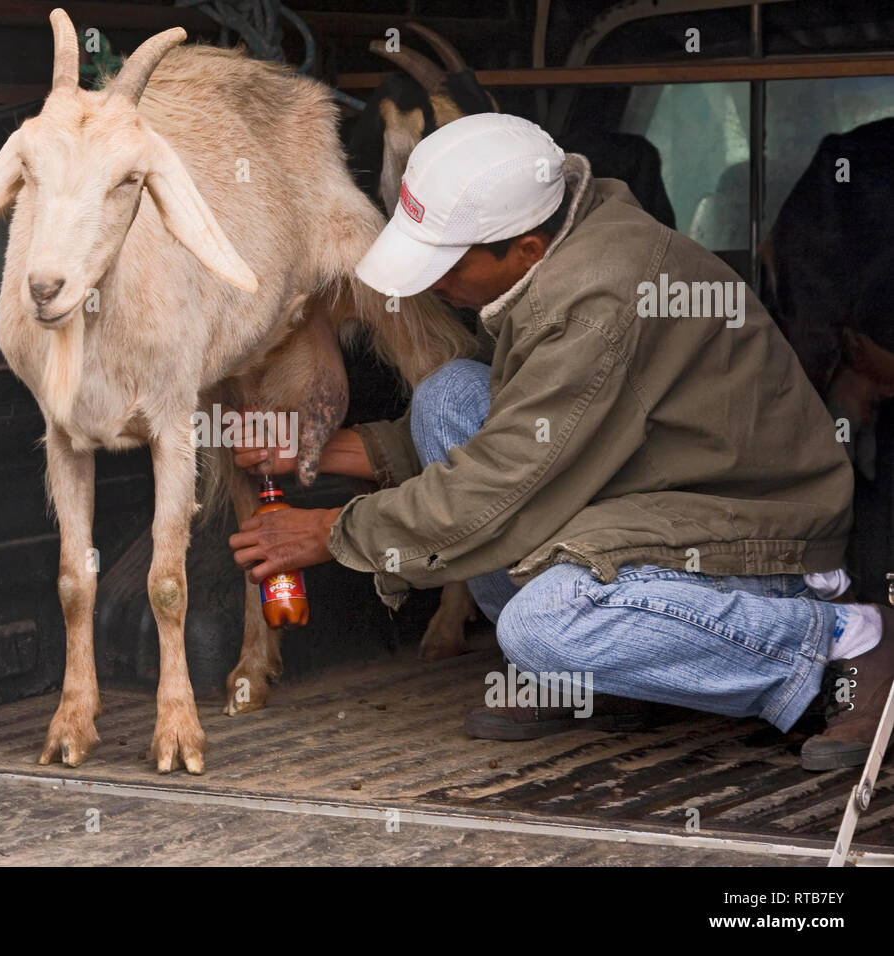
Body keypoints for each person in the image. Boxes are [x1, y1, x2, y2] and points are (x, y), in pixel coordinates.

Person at [229, 113, 891, 771]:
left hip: (754, 538)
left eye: (446, 264)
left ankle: (844, 640)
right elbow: (522, 421)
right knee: (448, 396)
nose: (432, 284)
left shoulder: (598, 295)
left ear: (525, 250)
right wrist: (329, 447)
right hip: (649, 484)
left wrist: (335, 532)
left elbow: (504, 476)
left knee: (543, 625)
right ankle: (594, 673)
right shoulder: (566, 238)